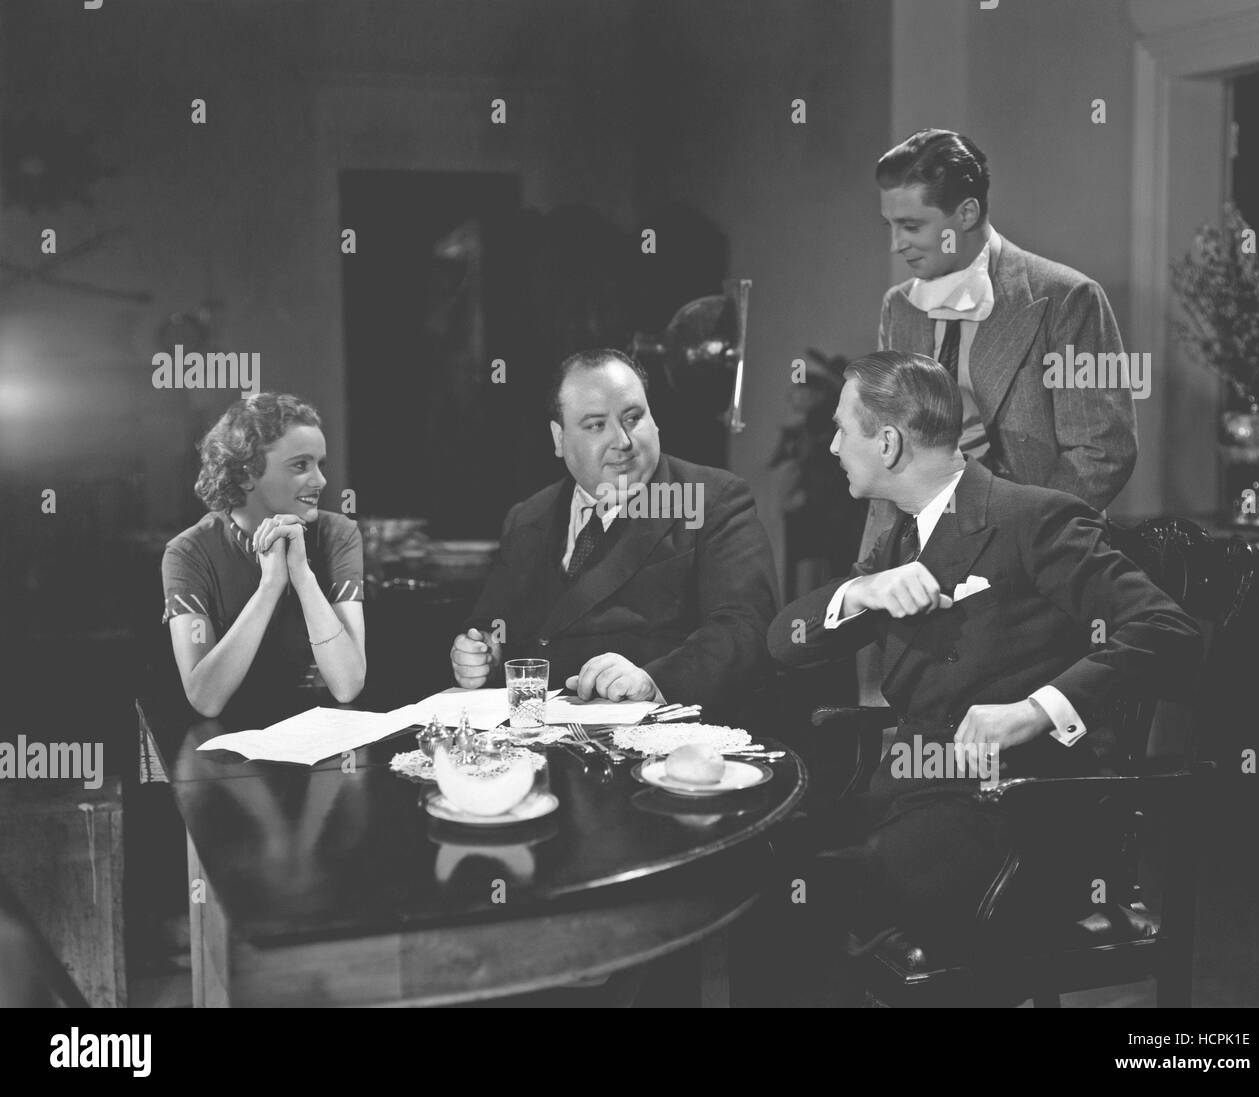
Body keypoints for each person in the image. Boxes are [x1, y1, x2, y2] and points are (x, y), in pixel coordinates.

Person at [767, 351, 1200, 952]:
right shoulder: (897, 539)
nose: (833, 447)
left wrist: (1034, 710)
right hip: (911, 796)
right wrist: (866, 589)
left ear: (888, 443)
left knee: (812, 895)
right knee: (761, 867)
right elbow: (785, 643)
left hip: (1020, 814)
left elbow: (1165, 629)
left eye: (841, 429)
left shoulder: (1033, 519)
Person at [855, 128, 1140, 704]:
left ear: (965, 212)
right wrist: (876, 564)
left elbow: (1104, 449)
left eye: (910, 226)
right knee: (897, 739)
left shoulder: (1068, 298)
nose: (896, 245)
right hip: (910, 560)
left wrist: (1021, 542)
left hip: (1028, 570)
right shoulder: (900, 308)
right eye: (890, 225)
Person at [450, 349, 777, 714]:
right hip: (540, 743)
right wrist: (481, 653)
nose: (622, 440)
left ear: (655, 420)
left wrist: (653, 681)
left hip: (654, 742)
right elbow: (494, 625)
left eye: (633, 418)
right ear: (559, 439)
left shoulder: (711, 499)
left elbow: (745, 628)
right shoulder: (526, 517)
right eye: (595, 425)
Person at [161, 393, 365, 717]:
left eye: (319, 464)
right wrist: (270, 585)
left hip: (322, 741)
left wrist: (303, 577)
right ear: (245, 474)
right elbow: (205, 699)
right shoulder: (187, 553)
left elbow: (347, 685)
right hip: (227, 749)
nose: (321, 480)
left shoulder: (339, 535)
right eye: (300, 465)